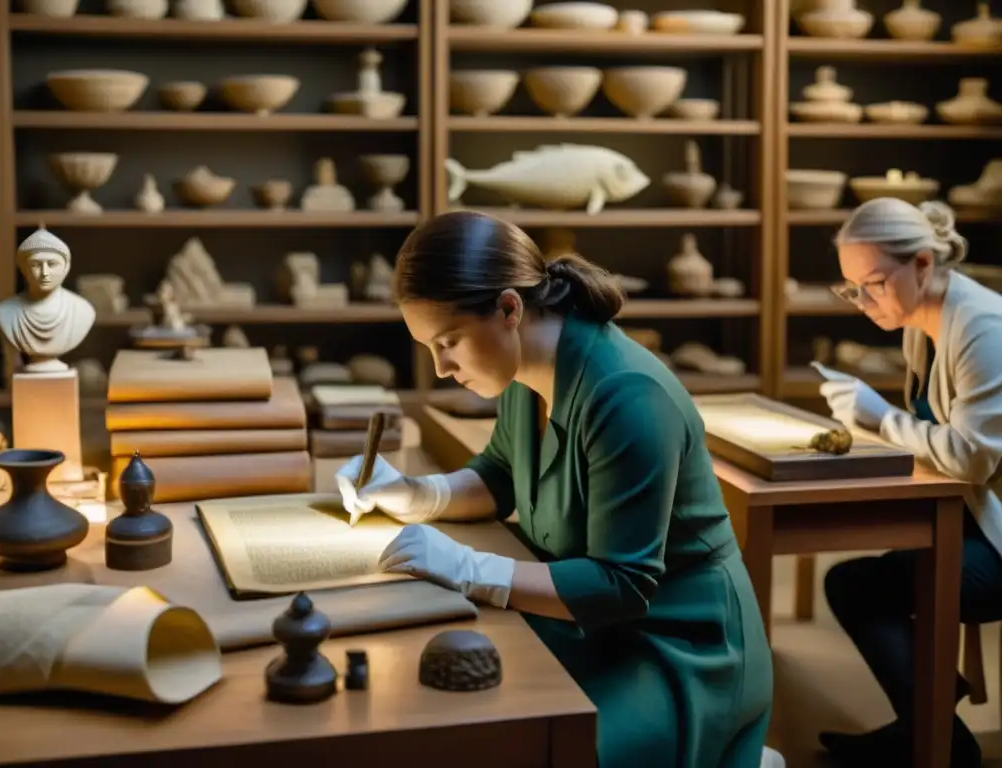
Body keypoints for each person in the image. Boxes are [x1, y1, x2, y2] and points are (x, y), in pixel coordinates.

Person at [335, 210, 778, 768]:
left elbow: (623, 584)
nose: (441, 368)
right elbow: (500, 476)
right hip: (582, 616)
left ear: (508, 308)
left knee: (551, 747)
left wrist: (472, 569)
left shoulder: (626, 395)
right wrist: (414, 493)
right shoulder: (526, 370)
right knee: (453, 709)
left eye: (447, 342)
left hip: (680, 644)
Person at [815, 198, 1002, 767]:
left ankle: (935, 738)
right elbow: (934, 432)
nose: (863, 303)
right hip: (967, 516)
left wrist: (876, 417)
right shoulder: (921, 321)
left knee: (858, 587)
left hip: (996, 537)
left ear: (922, 263)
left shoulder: (982, 327)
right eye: (850, 288)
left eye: (872, 284)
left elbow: (972, 458)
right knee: (855, 581)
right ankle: (927, 723)